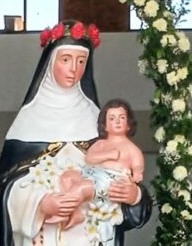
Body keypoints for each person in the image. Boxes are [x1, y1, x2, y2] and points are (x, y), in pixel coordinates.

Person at [0, 20, 152, 246]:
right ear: (50, 61)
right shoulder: (26, 123)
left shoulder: (96, 120)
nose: (74, 69)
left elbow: (122, 178)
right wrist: (41, 203)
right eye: (66, 60)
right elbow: (5, 189)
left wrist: (133, 196)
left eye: (81, 61)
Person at [58, 99, 145, 236]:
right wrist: (107, 155)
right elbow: (89, 158)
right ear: (105, 126)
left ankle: (64, 211)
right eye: (112, 118)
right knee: (67, 178)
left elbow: (137, 163)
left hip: (109, 181)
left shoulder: (131, 148)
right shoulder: (100, 144)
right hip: (92, 173)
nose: (117, 122)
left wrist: (137, 174)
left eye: (122, 118)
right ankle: (75, 212)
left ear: (129, 124)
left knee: (81, 189)